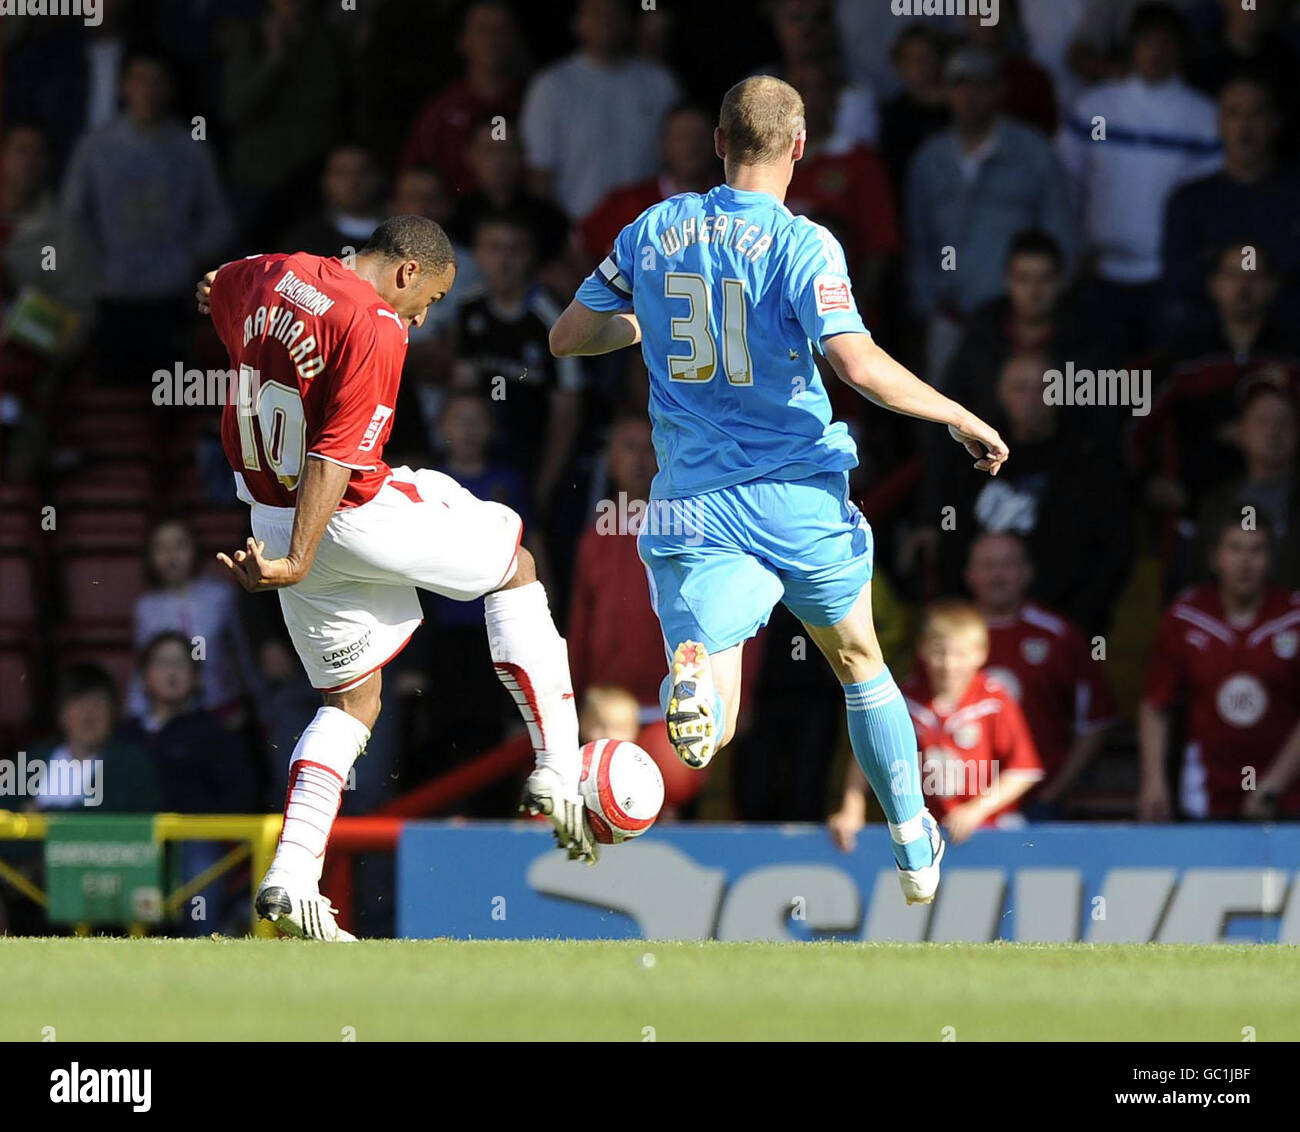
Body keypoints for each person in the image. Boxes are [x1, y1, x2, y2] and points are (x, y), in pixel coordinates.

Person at [549, 76, 1009, 905]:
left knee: (709, 723)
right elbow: (856, 364)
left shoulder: (653, 229)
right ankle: (912, 843)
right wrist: (958, 414)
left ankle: (690, 672)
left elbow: (569, 336)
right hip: (796, 496)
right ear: (799, 149)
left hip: (691, 501)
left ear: (717, 142)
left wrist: (650, 320)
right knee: (861, 665)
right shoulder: (804, 245)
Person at [197, 214, 595, 942]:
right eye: (434, 298)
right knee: (518, 567)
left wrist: (290, 553)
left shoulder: (269, 272)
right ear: (408, 271)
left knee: (354, 702)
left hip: (270, 513)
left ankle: (291, 872)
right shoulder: (377, 323)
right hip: (338, 514)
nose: (424, 314)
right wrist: (299, 560)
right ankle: (558, 766)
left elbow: (216, 282)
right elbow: (334, 459)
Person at [828, 601, 1043, 851]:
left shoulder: (994, 701)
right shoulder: (904, 701)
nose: (949, 664)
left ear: (981, 653)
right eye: (939, 652)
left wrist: (976, 810)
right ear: (922, 650)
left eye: (961, 654)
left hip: (991, 831)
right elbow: (871, 751)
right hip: (925, 832)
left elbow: (1023, 770)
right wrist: (852, 809)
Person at [1139, 513, 1300, 821]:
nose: (1246, 562)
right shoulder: (1185, 616)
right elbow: (1155, 705)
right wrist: (1153, 781)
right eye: (1235, 549)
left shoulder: (1293, 616)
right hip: (1206, 796)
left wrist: (1272, 786)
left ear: (1271, 559)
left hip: (1289, 799)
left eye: (1257, 550)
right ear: (1215, 558)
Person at [963, 532, 1118, 814]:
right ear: (969, 574)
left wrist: (1054, 793)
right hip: (959, 804)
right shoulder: (946, 639)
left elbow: (1096, 721)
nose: (998, 575)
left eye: (1008, 565)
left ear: (1027, 572)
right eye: (987, 565)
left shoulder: (1058, 635)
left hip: (1040, 803)